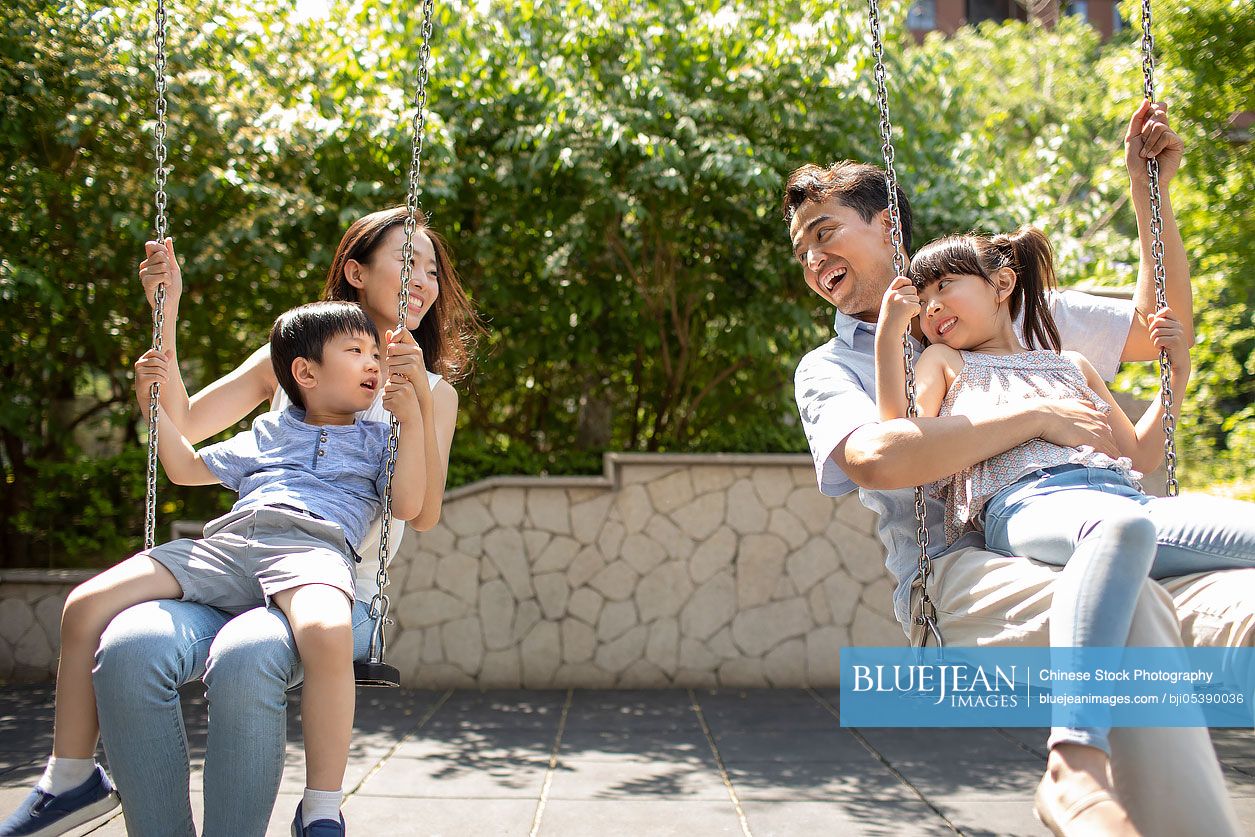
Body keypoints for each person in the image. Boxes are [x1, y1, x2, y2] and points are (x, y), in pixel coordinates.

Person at [788, 100, 1249, 837]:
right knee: (1130, 611)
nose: (810, 259)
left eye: (821, 233)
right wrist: (1032, 418)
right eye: (800, 251)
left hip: (1113, 517)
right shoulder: (830, 365)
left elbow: (1155, 332)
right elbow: (883, 455)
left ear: (886, 226)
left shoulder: (1011, 317)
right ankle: (1075, 773)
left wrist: (1148, 190)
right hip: (965, 566)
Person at [58, 208, 468, 837]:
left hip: (329, 580)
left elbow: (424, 512)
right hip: (239, 559)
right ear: (357, 273)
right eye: (407, 262)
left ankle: (312, 808)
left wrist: (411, 406)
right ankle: (84, 786)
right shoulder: (293, 355)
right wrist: (164, 314)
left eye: (433, 271)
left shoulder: (431, 391)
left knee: (248, 655)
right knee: (127, 644)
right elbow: (186, 427)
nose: (424, 282)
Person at [874, 225, 1255, 834]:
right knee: (1120, 529)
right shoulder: (943, 362)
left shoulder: (1070, 364)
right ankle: (1074, 759)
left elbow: (1141, 454)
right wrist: (892, 333)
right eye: (924, 301)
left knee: (1164, 523)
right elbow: (899, 434)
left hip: (1120, 496)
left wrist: (1173, 380)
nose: (934, 307)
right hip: (1027, 505)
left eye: (946, 286)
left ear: (1001, 285)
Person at [2, 300, 428, 836]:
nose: (374, 363)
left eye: (375, 354)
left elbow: (410, 504)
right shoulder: (268, 433)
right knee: (85, 603)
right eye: (356, 351)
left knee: (327, 628)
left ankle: (321, 805)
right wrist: (152, 406)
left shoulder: (377, 440)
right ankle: (71, 775)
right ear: (306, 372)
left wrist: (413, 420)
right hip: (229, 547)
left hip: (310, 551)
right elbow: (183, 469)